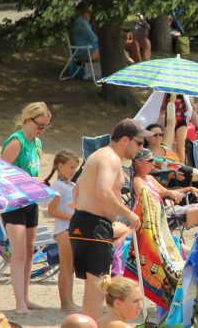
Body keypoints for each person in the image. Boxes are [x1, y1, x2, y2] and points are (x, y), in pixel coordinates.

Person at [70, 119, 146, 322]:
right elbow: (103, 191)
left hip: (85, 223)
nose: (141, 148)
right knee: (98, 290)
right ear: (124, 140)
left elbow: (77, 189)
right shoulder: (110, 158)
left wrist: (83, 210)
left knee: (93, 289)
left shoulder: (99, 156)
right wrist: (128, 214)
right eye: (138, 143)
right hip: (94, 226)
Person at [0, 102, 51, 314]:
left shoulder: (36, 143)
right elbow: (1, 173)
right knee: (19, 253)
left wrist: (40, 182)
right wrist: (29, 181)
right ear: (28, 120)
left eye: (46, 126)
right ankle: (19, 303)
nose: (42, 130)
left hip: (30, 201)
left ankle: (26, 298)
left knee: (30, 251)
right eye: (40, 125)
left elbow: (30, 173)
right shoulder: (16, 141)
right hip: (14, 203)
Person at [131, 148, 198, 242]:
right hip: (161, 217)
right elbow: (146, 197)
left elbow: (165, 191)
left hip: (172, 210)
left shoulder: (149, 177)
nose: (153, 164)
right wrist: (169, 193)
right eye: (150, 161)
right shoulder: (137, 181)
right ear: (140, 163)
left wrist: (188, 189)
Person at [143, 123, 198, 206]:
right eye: (155, 135)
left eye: (160, 134)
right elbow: (150, 171)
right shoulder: (146, 153)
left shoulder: (165, 146)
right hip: (168, 180)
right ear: (147, 137)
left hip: (181, 175)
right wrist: (168, 174)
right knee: (183, 170)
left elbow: (170, 124)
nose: (158, 137)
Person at [45, 150, 82, 313]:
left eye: (75, 167)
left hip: (72, 228)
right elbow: (51, 210)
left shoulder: (71, 185)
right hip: (64, 229)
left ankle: (70, 299)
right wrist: (72, 217)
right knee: (66, 266)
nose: (74, 171)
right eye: (71, 167)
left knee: (71, 266)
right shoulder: (58, 186)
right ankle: (65, 302)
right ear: (60, 166)